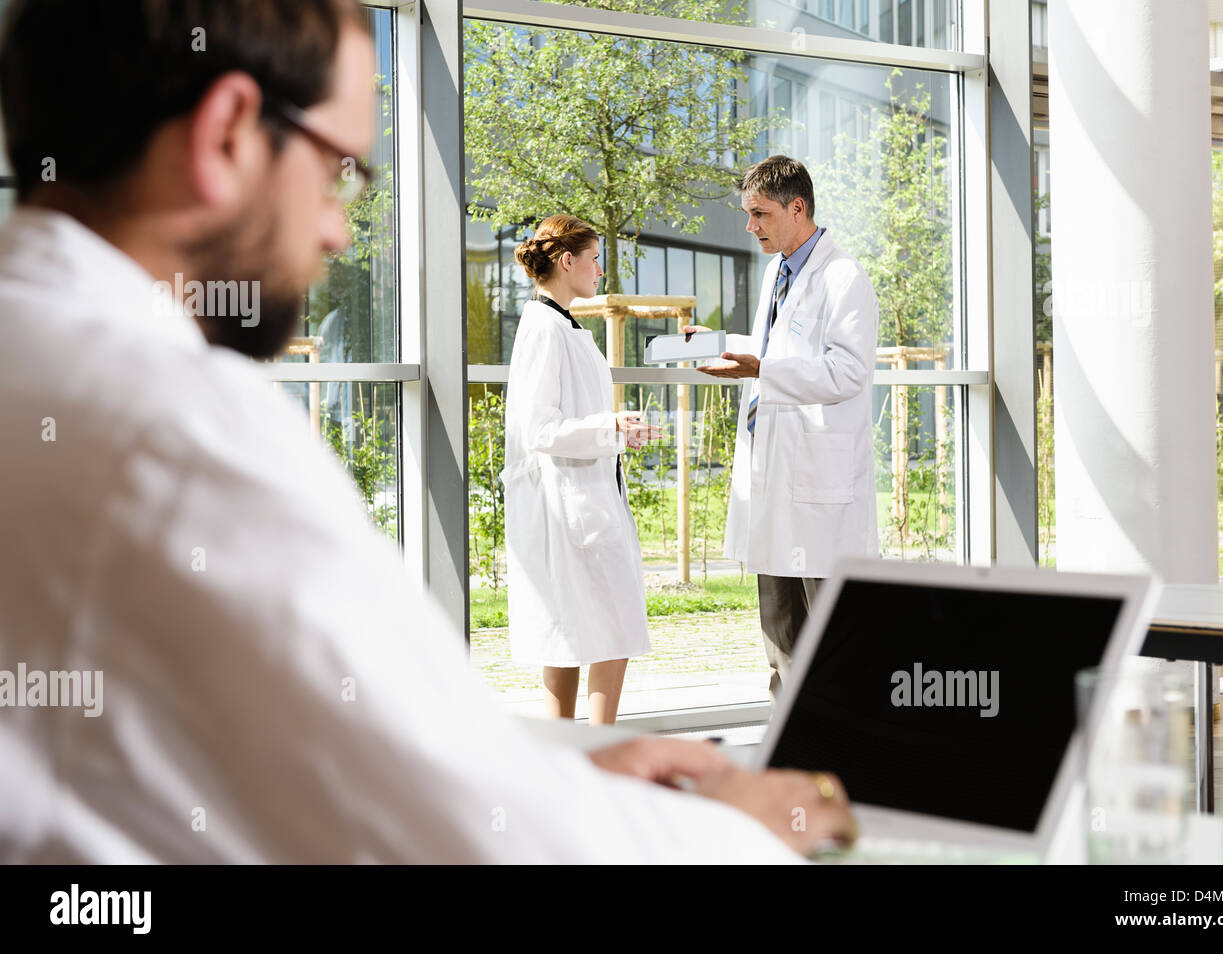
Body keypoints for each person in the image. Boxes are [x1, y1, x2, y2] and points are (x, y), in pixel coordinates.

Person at [0, 0, 858, 862]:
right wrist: (738, 825)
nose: (337, 226)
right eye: (340, 169)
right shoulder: (184, 432)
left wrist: (545, 781)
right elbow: (448, 830)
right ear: (225, 133)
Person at [691, 156, 879, 698]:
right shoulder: (779, 271)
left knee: (832, 633)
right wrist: (726, 347)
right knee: (780, 632)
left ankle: (844, 754)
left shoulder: (843, 277)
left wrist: (762, 367)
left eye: (760, 214)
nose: (751, 226)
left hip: (821, 483)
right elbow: (780, 352)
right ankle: (790, 741)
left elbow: (848, 371)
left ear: (797, 208)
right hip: (774, 476)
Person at [503, 214, 660, 725]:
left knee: (569, 631)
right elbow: (541, 430)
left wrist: (615, 431)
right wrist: (611, 427)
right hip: (570, 506)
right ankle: (598, 749)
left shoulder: (560, 324)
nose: (600, 271)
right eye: (594, 259)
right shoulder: (546, 329)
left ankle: (566, 754)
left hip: (579, 498)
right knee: (611, 628)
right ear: (567, 261)